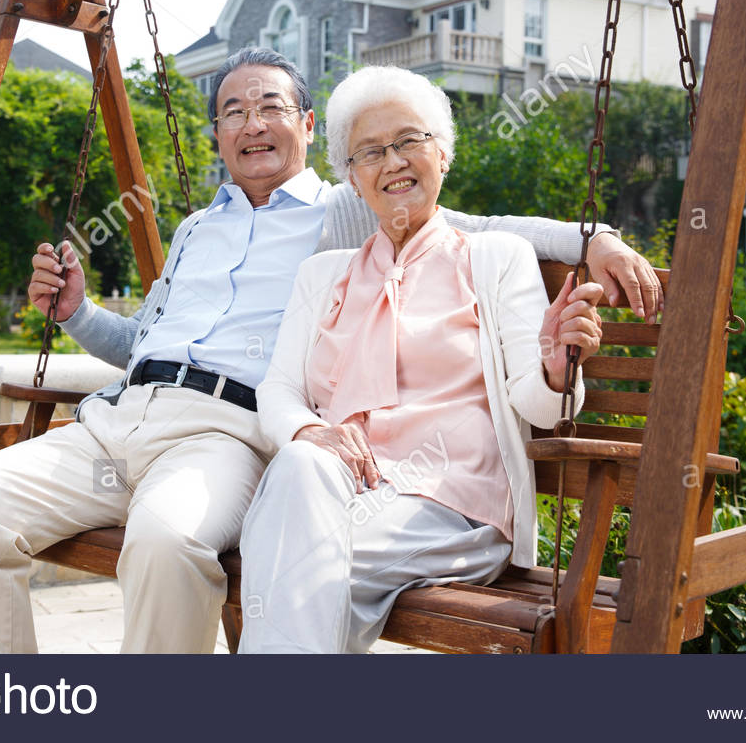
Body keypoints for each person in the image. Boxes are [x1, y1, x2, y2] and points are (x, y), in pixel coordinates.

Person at [0, 47, 657, 654]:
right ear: (217, 137)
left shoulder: (344, 207)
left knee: (168, 542)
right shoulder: (194, 229)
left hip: (225, 434)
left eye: (270, 106)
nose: (252, 124)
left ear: (307, 125)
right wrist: (78, 313)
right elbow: (146, 344)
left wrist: (592, 240)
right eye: (233, 112)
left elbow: (469, 222)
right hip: (121, 420)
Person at [238, 65, 604, 653]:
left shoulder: (494, 260)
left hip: (455, 505)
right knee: (302, 472)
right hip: (339, 493)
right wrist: (313, 430)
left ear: (444, 155)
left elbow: (538, 405)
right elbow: (277, 392)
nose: (394, 162)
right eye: (371, 152)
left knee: (286, 556)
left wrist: (558, 368)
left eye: (411, 141)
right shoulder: (322, 275)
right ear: (353, 180)